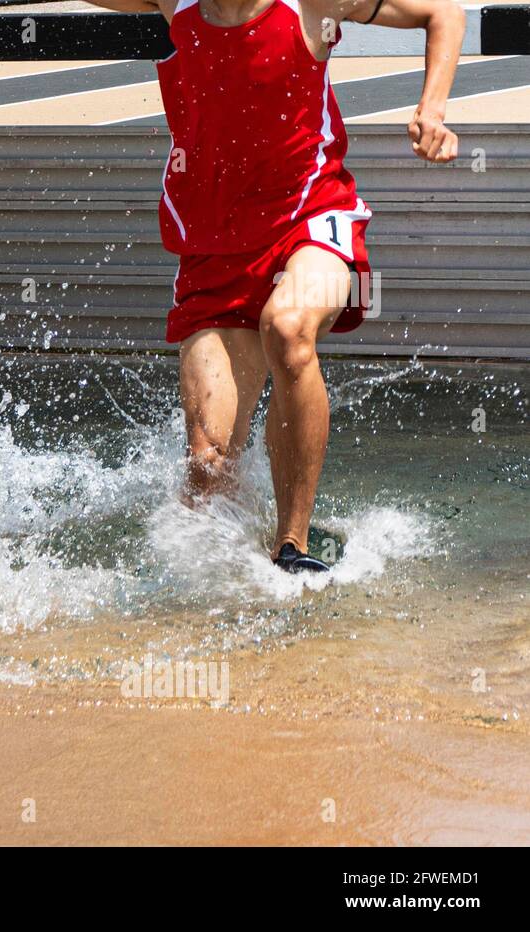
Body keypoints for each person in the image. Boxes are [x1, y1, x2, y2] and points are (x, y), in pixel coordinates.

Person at [85, 0, 463, 571]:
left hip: (311, 222)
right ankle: (229, 576)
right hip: (214, 250)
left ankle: (293, 545)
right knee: (207, 466)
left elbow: (444, 14)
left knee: (287, 328)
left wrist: (431, 111)